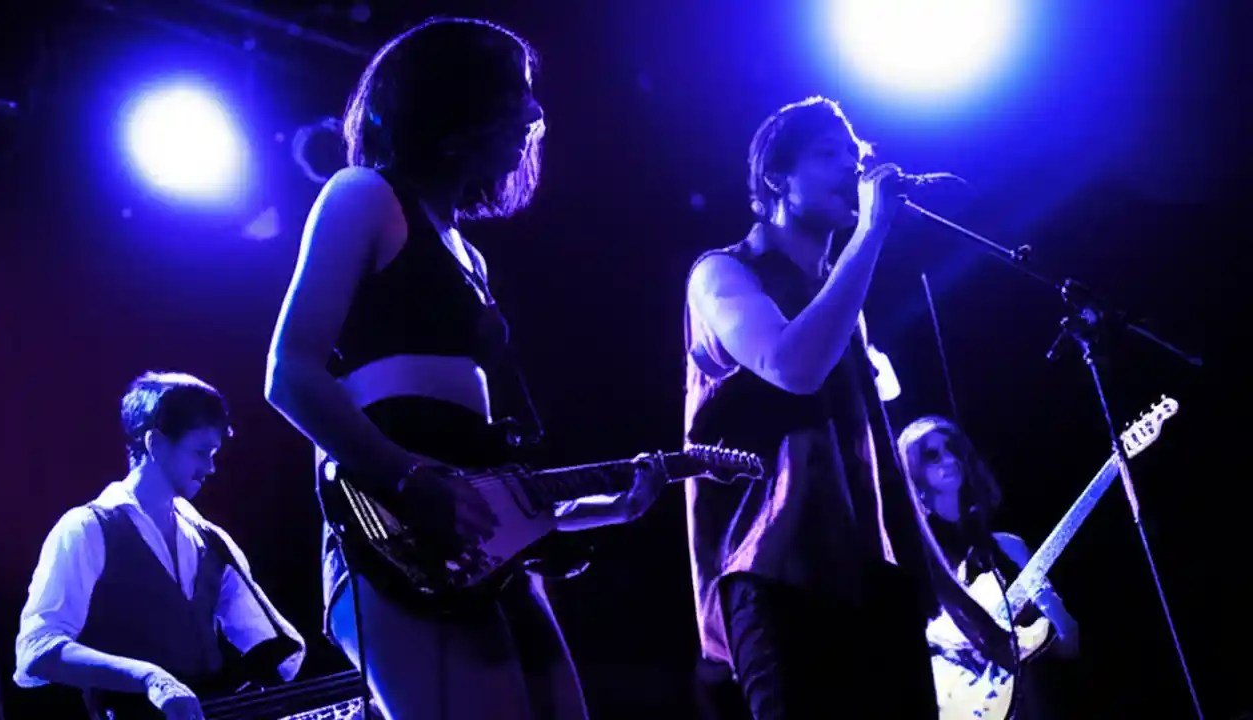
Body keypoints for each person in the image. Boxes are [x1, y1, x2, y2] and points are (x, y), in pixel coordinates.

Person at [263, 16, 666, 720]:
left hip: (484, 566)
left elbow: (480, 480)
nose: (536, 114)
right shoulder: (364, 197)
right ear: (454, 102)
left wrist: (602, 508)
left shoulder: (471, 258)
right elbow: (289, 373)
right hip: (391, 551)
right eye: (516, 92)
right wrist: (409, 478)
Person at [682, 95, 1013, 718]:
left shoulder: (840, 303)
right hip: (776, 579)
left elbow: (884, 477)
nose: (853, 169)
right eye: (830, 154)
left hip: (874, 581)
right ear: (776, 178)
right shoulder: (722, 275)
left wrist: (961, 608)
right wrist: (872, 230)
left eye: (856, 154)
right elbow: (791, 367)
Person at [14, 371, 306, 720]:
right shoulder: (86, 529)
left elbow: (270, 650)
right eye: (200, 452)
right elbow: (36, 649)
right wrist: (150, 678)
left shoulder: (211, 541)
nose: (211, 468)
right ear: (154, 443)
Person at [898, 415, 1079, 719]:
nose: (949, 459)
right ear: (913, 471)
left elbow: (1069, 639)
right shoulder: (914, 560)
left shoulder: (1008, 547)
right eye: (932, 455)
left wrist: (1046, 621)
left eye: (953, 449)